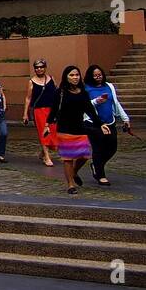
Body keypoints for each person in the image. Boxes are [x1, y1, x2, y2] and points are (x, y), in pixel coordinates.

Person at [50, 65, 110, 195]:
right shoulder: (60, 92)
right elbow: (54, 110)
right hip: (64, 128)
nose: (75, 77)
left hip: (80, 128)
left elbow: (90, 110)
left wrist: (100, 124)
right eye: (72, 75)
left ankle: (74, 172)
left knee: (84, 155)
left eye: (77, 75)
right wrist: (47, 125)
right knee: (67, 158)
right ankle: (71, 184)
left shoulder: (83, 92)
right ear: (66, 77)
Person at [84, 64, 130, 186]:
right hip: (93, 123)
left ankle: (96, 164)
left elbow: (115, 102)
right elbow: (84, 106)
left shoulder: (109, 86)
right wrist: (96, 101)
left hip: (110, 121)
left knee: (112, 147)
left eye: (99, 74)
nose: (98, 77)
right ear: (90, 76)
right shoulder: (86, 89)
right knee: (98, 148)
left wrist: (125, 118)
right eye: (95, 75)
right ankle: (100, 175)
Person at [23, 58, 58, 167]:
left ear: (45, 68)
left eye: (41, 67)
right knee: (44, 133)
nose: (39, 69)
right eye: (37, 67)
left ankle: (43, 152)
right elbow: (28, 98)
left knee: (53, 132)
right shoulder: (31, 81)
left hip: (52, 109)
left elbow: (57, 92)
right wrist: (25, 113)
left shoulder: (51, 78)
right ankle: (46, 156)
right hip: (39, 110)